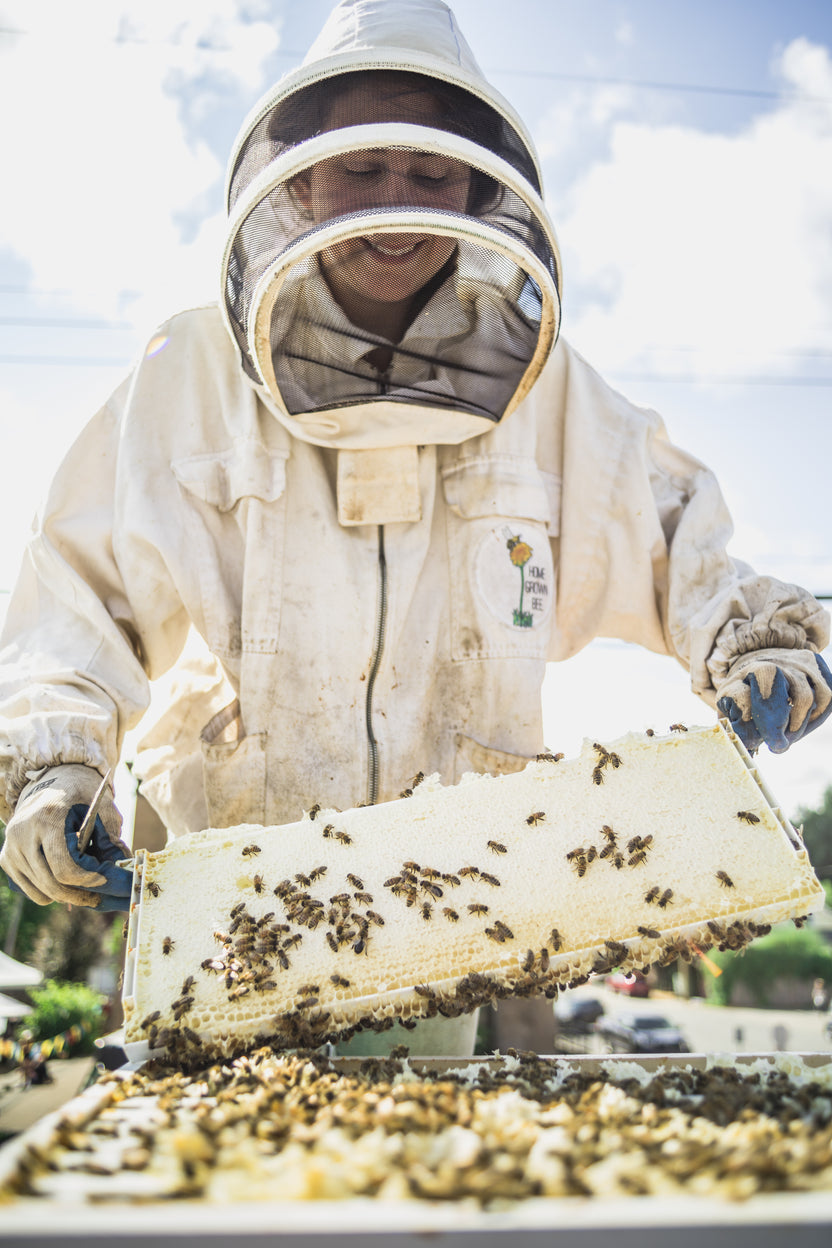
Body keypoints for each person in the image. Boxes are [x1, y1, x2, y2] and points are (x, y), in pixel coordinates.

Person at [1, 0, 830, 1056]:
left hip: (467, 911)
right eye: (359, 169)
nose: (394, 206)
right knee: (219, 1197)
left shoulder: (544, 388)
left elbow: (667, 532)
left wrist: (745, 638)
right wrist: (56, 765)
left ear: (482, 187)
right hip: (228, 911)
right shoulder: (191, 373)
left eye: (429, 174)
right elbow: (80, 592)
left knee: (432, 1196)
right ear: (295, 178)